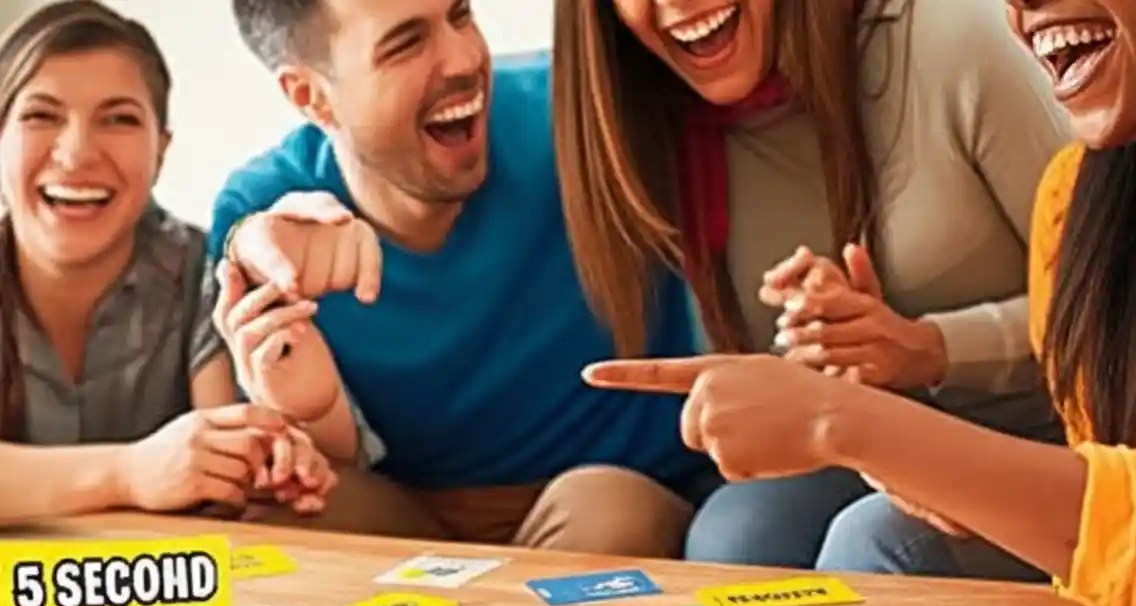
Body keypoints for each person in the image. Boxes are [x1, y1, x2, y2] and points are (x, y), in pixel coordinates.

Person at [585, 0, 1136, 606]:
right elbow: (1113, 460)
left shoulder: (955, 54)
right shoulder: (1078, 202)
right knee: (817, 532)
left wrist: (854, 414)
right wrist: (856, 385)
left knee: (867, 538)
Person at [551, 0, 1071, 568]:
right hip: (880, 447)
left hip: (1060, 442)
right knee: (736, 539)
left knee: (871, 543)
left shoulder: (955, 38)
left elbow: (1125, 307)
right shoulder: (670, 123)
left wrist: (929, 348)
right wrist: (822, 341)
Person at [207, 0, 715, 555]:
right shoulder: (265, 221)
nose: (465, 59)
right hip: (413, 512)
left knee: (608, 512)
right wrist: (300, 407)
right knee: (272, 515)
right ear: (311, 96)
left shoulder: (584, 109)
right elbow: (329, 464)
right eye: (405, 44)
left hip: (617, 492)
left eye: (460, 15)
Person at [0, 0, 336, 526]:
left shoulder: (210, 274)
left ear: (161, 151)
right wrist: (129, 472)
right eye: (41, 115)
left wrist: (266, 464)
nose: (77, 153)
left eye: (119, 119)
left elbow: (227, 462)